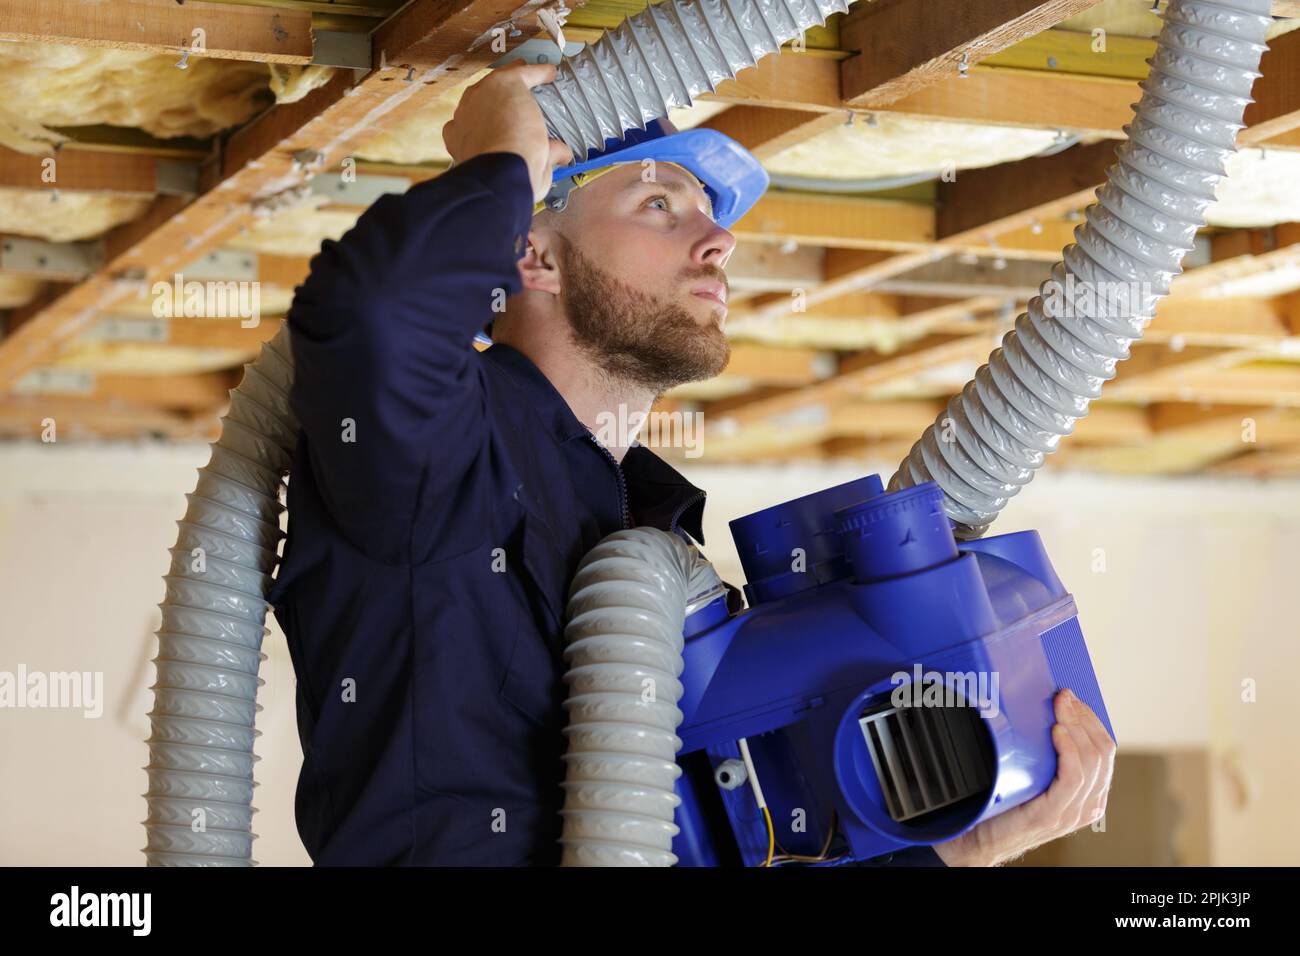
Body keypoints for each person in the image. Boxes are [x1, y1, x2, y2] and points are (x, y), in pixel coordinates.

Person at [269, 60, 1115, 867]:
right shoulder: (439, 446)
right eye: (660, 204)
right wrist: (502, 165)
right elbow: (365, 315)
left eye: (704, 212)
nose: (719, 240)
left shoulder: (644, 526)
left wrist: (940, 852)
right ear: (535, 255)